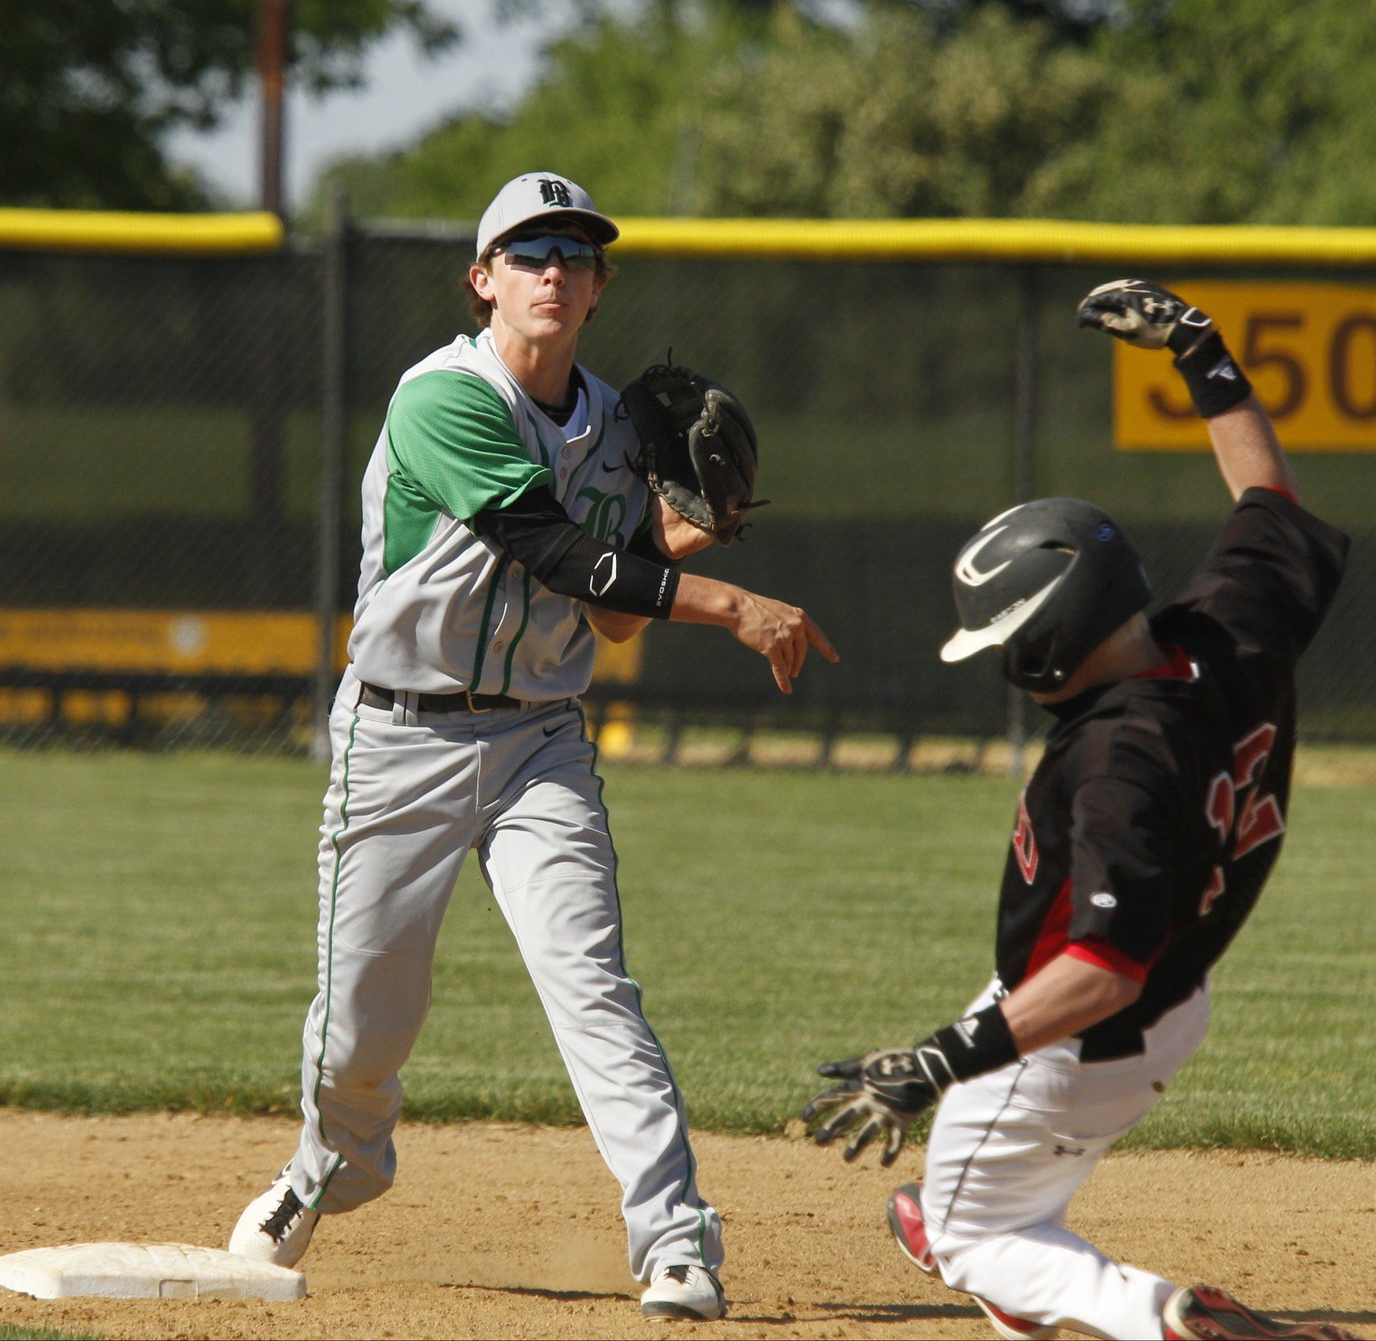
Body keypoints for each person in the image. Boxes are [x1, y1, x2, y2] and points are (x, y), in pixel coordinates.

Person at [229, 169, 837, 1322]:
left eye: (575, 255)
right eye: (528, 253)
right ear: (483, 280)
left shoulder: (619, 427)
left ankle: (675, 1240)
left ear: (598, 288)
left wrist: (683, 534)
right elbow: (551, 551)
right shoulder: (440, 400)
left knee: (592, 987)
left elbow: (610, 616)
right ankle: (326, 1167)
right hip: (396, 740)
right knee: (360, 1032)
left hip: (537, 747)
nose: (552, 270)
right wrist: (730, 604)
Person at [800, 279, 1351, 1341]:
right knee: (974, 1206)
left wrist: (939, 1059)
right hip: (1170, 1002)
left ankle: (1166, 1318)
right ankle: (1003, 1254)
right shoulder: (1223, 630)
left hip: (1078, 1031)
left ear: (1045, 644)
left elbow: (1101, 968)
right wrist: (1201, 353)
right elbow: (1268, 498)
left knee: (969, 1236)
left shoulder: (1114, 764)